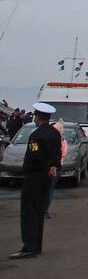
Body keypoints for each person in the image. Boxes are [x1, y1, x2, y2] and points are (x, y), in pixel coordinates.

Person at [10, 101, 60, 259]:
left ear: (38, 117)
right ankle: (37, 246)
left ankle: (28, 247)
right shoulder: (55, 133)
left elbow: (36, 155)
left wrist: (46, 167)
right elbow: (58, 153)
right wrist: (53, 167)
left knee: (29, 212)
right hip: (47, 177)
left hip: (34, 177)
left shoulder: (35, 136)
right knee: (39, 211)